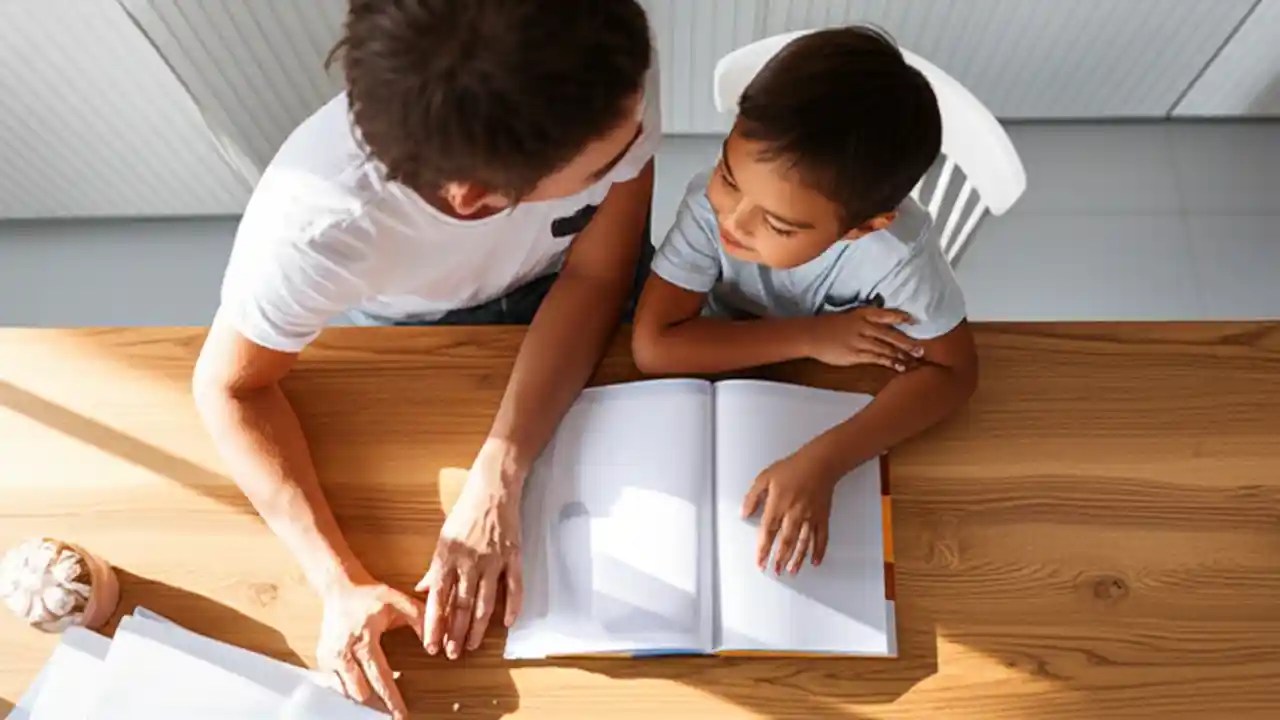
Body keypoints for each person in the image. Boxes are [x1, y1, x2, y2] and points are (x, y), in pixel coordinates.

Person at [192, 1, 658, 716]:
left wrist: (499, 473)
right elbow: (228, 388)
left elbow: (599, 277)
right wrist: (336, 582)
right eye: (614, 157)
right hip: (425, 326)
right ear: (476, 199)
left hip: (580, 283)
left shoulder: (600, 78)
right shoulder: (318, 227)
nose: (644, 139)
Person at [632, 26, 977, 578]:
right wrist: (813, 337)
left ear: (862, 228)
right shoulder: (708, 206)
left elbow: (955, 372)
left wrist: (826, 462)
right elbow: (652, 347)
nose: (733, 221)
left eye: (777, 223)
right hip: (736, 367)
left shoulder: (898, 254)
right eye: (728, 174)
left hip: (822, 398)